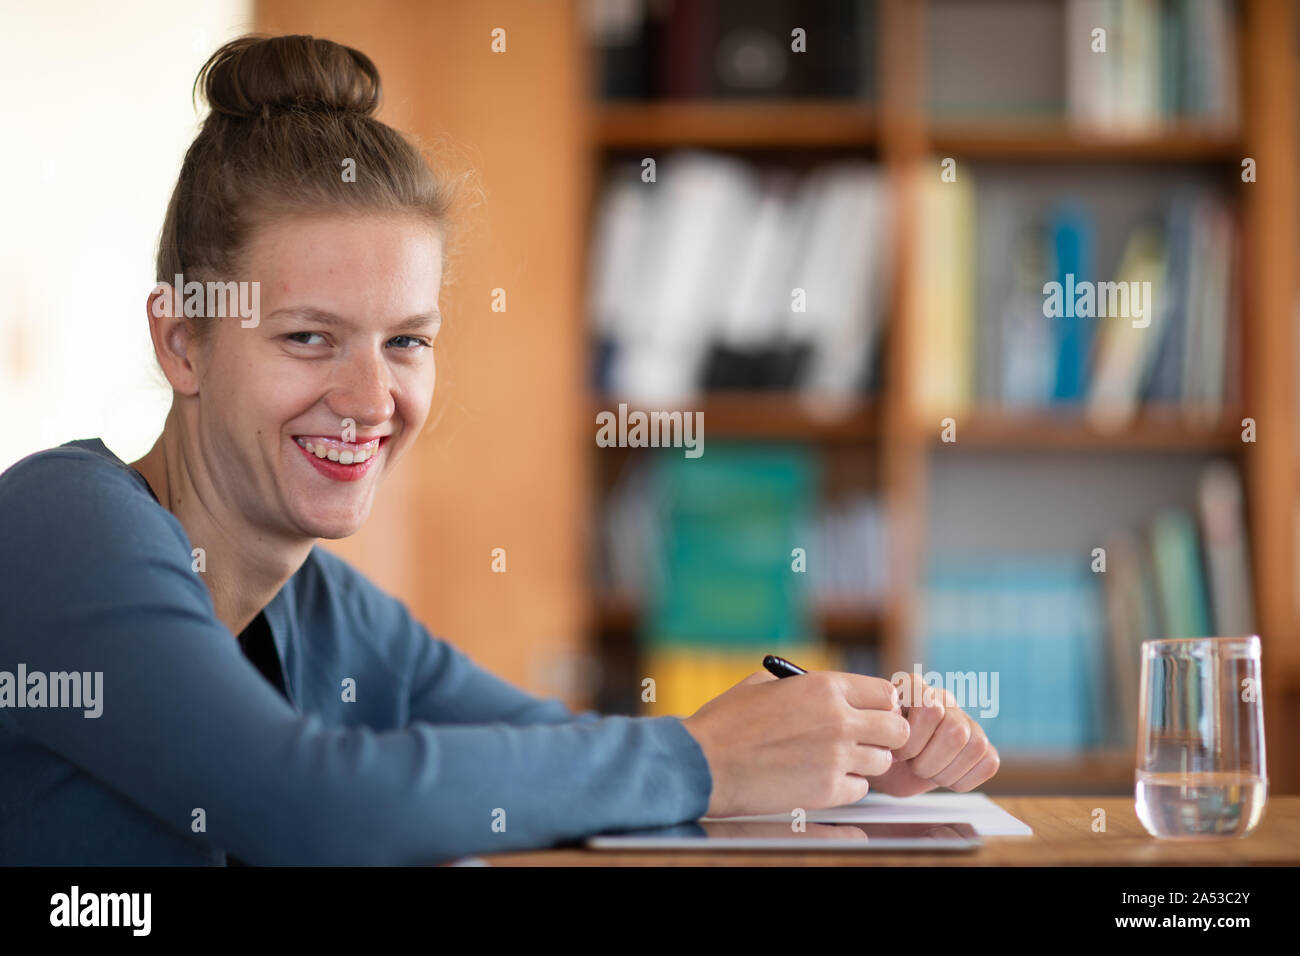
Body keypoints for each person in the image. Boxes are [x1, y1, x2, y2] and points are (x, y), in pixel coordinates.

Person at [0, 33, 998, 866]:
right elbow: (299, 800)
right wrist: (704, 756)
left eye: (406, 341)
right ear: (182, 341)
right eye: (309, 337)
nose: (368, 397)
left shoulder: (328, 610)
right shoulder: (59, 527)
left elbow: (563, 749)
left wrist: (838, 756)